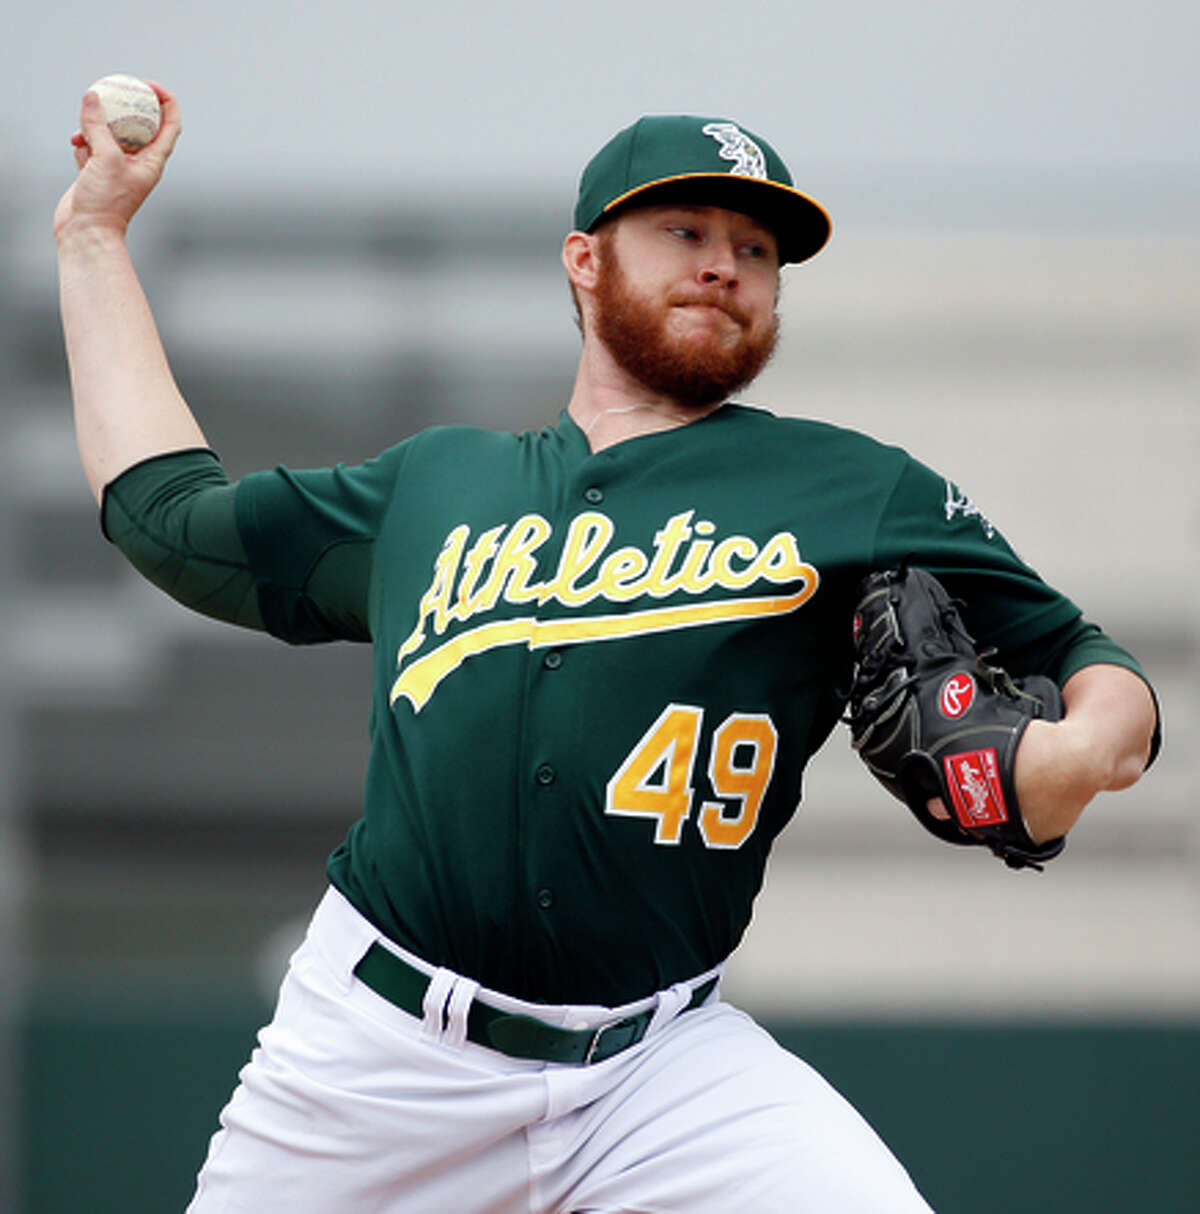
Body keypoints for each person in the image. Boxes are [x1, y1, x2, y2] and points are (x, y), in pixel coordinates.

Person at [55, 85, 1159, 1214]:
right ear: (584, 260)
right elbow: (168, 520)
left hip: (660, 1070)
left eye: (755, 247)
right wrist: (94, 237)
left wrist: (1070, 760)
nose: (724, 263)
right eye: (685, 231)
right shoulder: (439, 483)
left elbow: (1089, 659)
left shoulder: (856, 487)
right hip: (375, 1062)